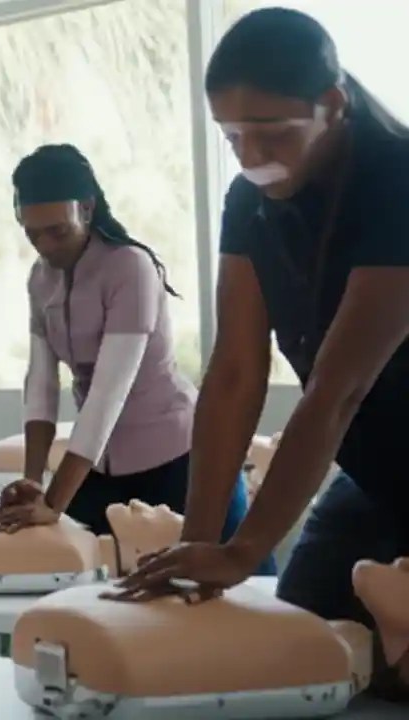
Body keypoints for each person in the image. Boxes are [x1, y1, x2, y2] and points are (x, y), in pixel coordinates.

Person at [116, 8, 409, 650]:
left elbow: (338, 388)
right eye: (232, 137)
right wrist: (199, 545)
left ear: (331, 105)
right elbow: (235, 373)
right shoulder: (249, 201)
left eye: (272, 135)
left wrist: (246, 548)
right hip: (377, 475)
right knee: (301, 641)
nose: (252, 159)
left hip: (373, 431)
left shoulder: (396, 180)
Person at [0, 145, 270, 578]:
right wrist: (33, 482)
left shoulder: (130, 267)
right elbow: (41, 383)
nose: (45, 246)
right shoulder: (40, 278)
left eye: (57, 231)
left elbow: (106, 395)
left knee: (245, 589)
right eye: (32, 233)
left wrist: (54, 502)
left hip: (182, 460)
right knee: (111, 594)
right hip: (103, 468)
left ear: (87, 208)